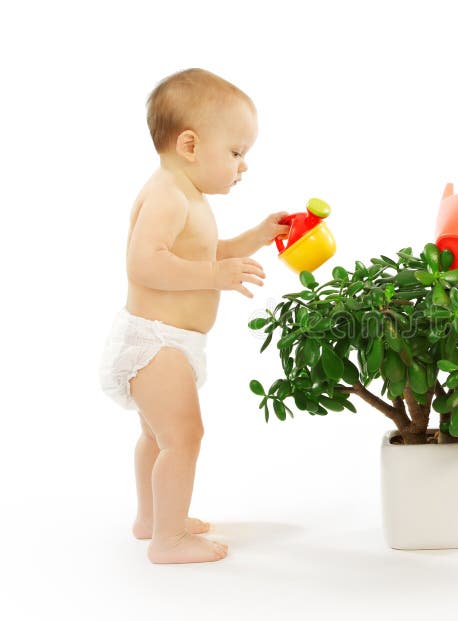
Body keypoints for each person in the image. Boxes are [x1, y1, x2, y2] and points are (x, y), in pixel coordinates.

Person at [99, 68, 289, 564]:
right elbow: (144, 263)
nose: (243, 166)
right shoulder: (167, 194)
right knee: (184, 437)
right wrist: (213, 276)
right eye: (236, 152)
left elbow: (208, 251)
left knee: (157, 437)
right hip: (155, 342)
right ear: (190, 145)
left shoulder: (188, 194)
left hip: (168, 343)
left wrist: (257, 237)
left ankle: (153, 519)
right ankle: (169, 540)